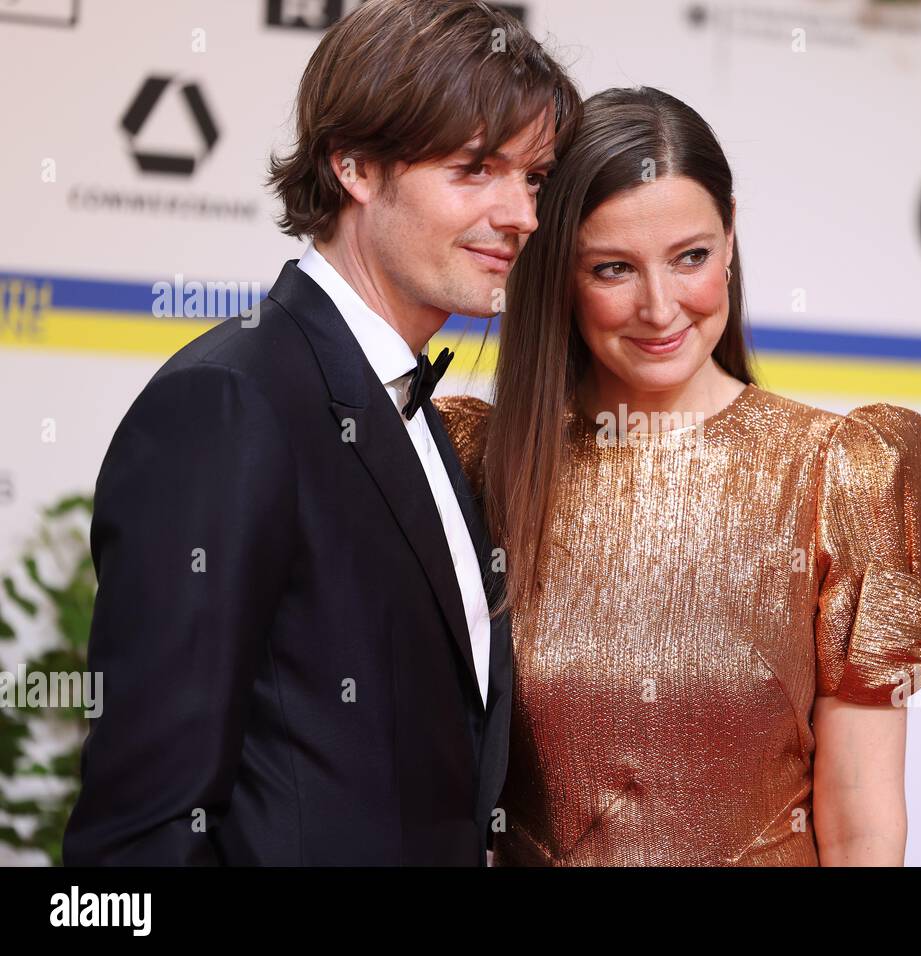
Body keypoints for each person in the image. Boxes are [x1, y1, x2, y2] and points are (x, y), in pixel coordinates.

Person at [63, 0, 580, 866]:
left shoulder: (416, 411)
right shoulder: (230, 405)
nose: (522, 213)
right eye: (476, 168)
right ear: (354, 166)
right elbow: (140, 830)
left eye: (532, 177)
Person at [436, 86, 921, 866]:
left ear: (731, 237)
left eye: (691, 258)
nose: (660, 307)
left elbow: (862, 820)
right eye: (613, 268)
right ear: (557, 273)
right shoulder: (475, 465)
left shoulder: (840, 474)